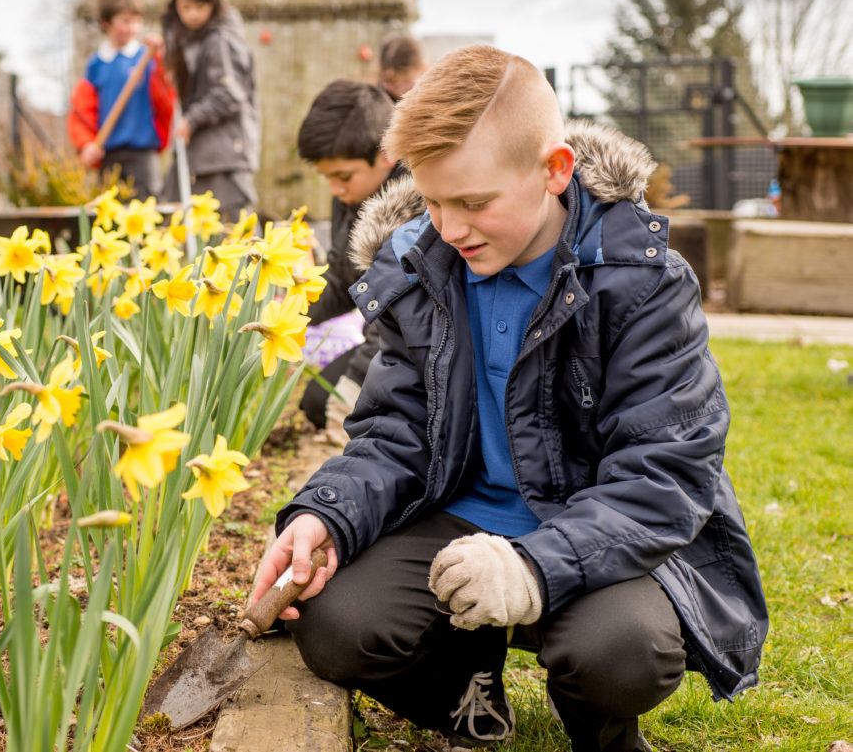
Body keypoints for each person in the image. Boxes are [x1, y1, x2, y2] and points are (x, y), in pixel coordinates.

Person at [249, 45, 767, 752]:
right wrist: (325, 515)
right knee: (334, 623)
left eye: (474, 202)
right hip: (458, 514)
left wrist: (531, 568)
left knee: (620, 653)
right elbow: (395, 433)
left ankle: (600, 727)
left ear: (555, 170)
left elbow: (664, 474)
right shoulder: (422, 268)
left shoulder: (642, 282)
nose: (450, 228)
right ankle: (466, 687)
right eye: (433, 202)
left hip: (597, 524)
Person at [294, 80, 408, 440]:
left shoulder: (413, 205)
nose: (334, 189)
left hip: (415, 344)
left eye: (343, 176)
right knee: (316, 402)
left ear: (387, 153)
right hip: (382, 337)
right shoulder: (350, 196)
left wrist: (356, 380)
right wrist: (293, 312)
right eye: (326, 177)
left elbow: (396, 317)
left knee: (342, 406)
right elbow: (345, 279)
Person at [159, 0, 260, 221]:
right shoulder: (186, 38)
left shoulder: (222, 40)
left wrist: (192, 120)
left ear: (213, 5)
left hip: (225, 152)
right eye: (186, 7)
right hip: (200, 153)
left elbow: (229, 92)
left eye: (199, 7)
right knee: (180, 221)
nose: (193, 14)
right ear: (176, 6)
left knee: (235, 228)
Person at [68, 0, 175, 198]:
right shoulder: (96, 65)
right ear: (106, 23)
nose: (132, 27)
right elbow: (82, 111)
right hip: (109, 154)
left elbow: (166, 97)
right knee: (110, 209)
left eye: (137, 21)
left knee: (147, 208)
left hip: (143, 154)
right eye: (125, 21)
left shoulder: (148, 58)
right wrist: (86, 144)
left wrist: (162, 59)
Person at [377, 32, 428, 101]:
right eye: (393, 84)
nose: (400, 91)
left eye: (406, 81)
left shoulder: (426, 96)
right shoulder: (378, 98)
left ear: (422, 69)